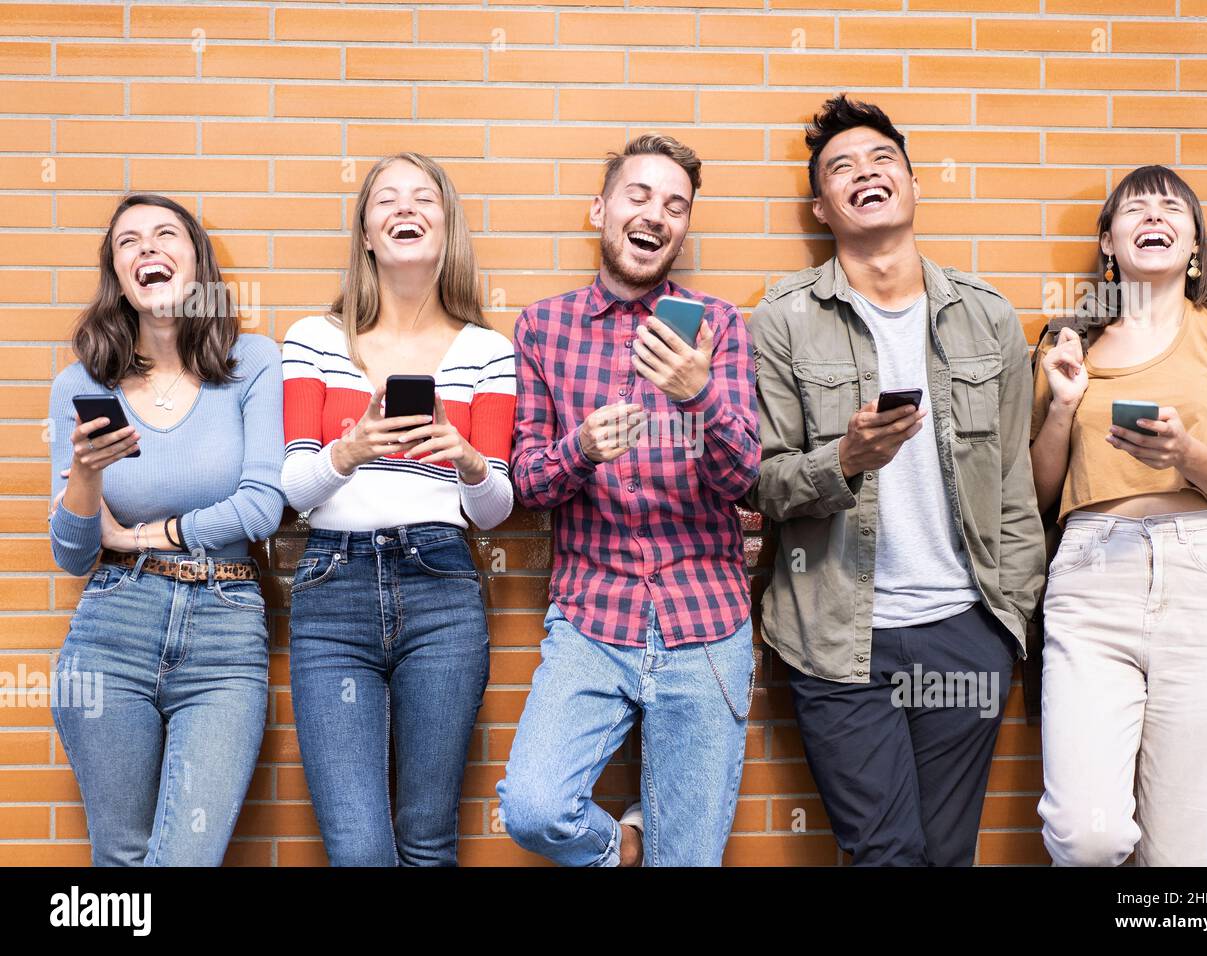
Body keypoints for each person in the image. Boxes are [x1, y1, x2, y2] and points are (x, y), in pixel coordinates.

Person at [746, 94, 1045, 866]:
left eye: (882, 161)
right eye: (841, 167)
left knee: (945, 856)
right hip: (839, 637)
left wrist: (1003, 622)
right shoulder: (782, 318)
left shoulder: (987, 318)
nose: (865, 173)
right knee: (886, 853)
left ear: (912, 184)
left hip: (964, 632)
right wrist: (843, 460)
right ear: (821, 206)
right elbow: (763, 483)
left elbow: (1014, 481)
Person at [496, 134, 760, 867]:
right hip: (591, 616)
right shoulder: (541, 328)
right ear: (600, 210)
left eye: (676, 205)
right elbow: (526, 485)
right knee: (535, 808)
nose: (657, 215)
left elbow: (745, 480)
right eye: (639, 196)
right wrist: (582, 448)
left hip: (704, 618)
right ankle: (624, 843)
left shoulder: (719, 326)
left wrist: (696, 394)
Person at [1031, 165, 1207, 866]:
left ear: (1195, 242)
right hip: (1089, 576)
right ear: (1108, 242)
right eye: (1134, 208)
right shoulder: (1067, 342)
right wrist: (1060, 403)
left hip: (1202, 576)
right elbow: (1042, 492)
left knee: (1184, 863)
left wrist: (1186, 453)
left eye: (1171, 208)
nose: (1154, 215)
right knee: (1089, 837)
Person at [281, 153, 515, 866]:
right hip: (332, 591)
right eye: (386, 200)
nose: (405, 208)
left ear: (447, 229)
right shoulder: (314, 340)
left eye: (423, 198)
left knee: (427, 840)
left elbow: (496, 508)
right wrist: (348, 450)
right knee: (357, 849)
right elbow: (291, 490)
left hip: (442, 586)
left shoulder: (487, 352)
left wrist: (468, 459)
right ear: (366, 234)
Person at [48, 193, 285, 866]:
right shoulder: (80, 384)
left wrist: (143, 535)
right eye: (129, 241)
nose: (147, 248)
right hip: (112, 627)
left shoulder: (252, 362)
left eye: (164, 234)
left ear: (196, 260)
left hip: (225, 628)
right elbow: (72, 552)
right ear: (117, 274)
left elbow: (262, 506)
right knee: (119, 860)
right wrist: (87, 478)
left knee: (186, 857)